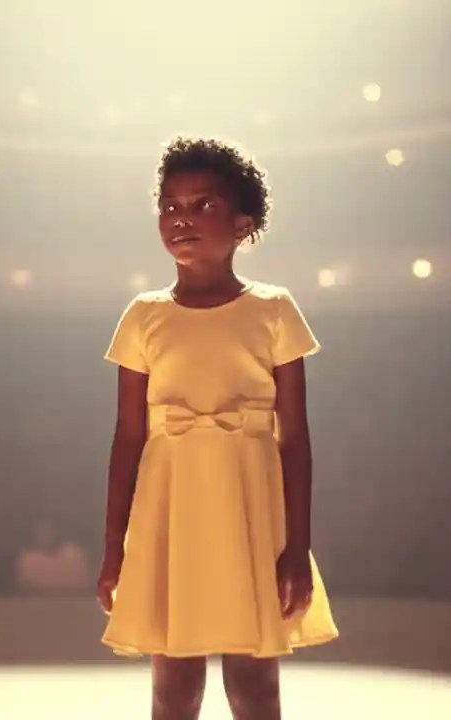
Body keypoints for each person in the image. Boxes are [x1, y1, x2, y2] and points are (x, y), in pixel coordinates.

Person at [98, 137, 338, 720]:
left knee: (255, 687)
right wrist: (114, 551)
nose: (182, 218)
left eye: (204, 205)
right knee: (172, 688)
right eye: (171, 206)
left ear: (243, 223)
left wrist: (298, 549)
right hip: (169, 508)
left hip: (249, 508)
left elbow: (296, 439)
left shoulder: (274, 310)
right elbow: (128, 438)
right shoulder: (143, 316)